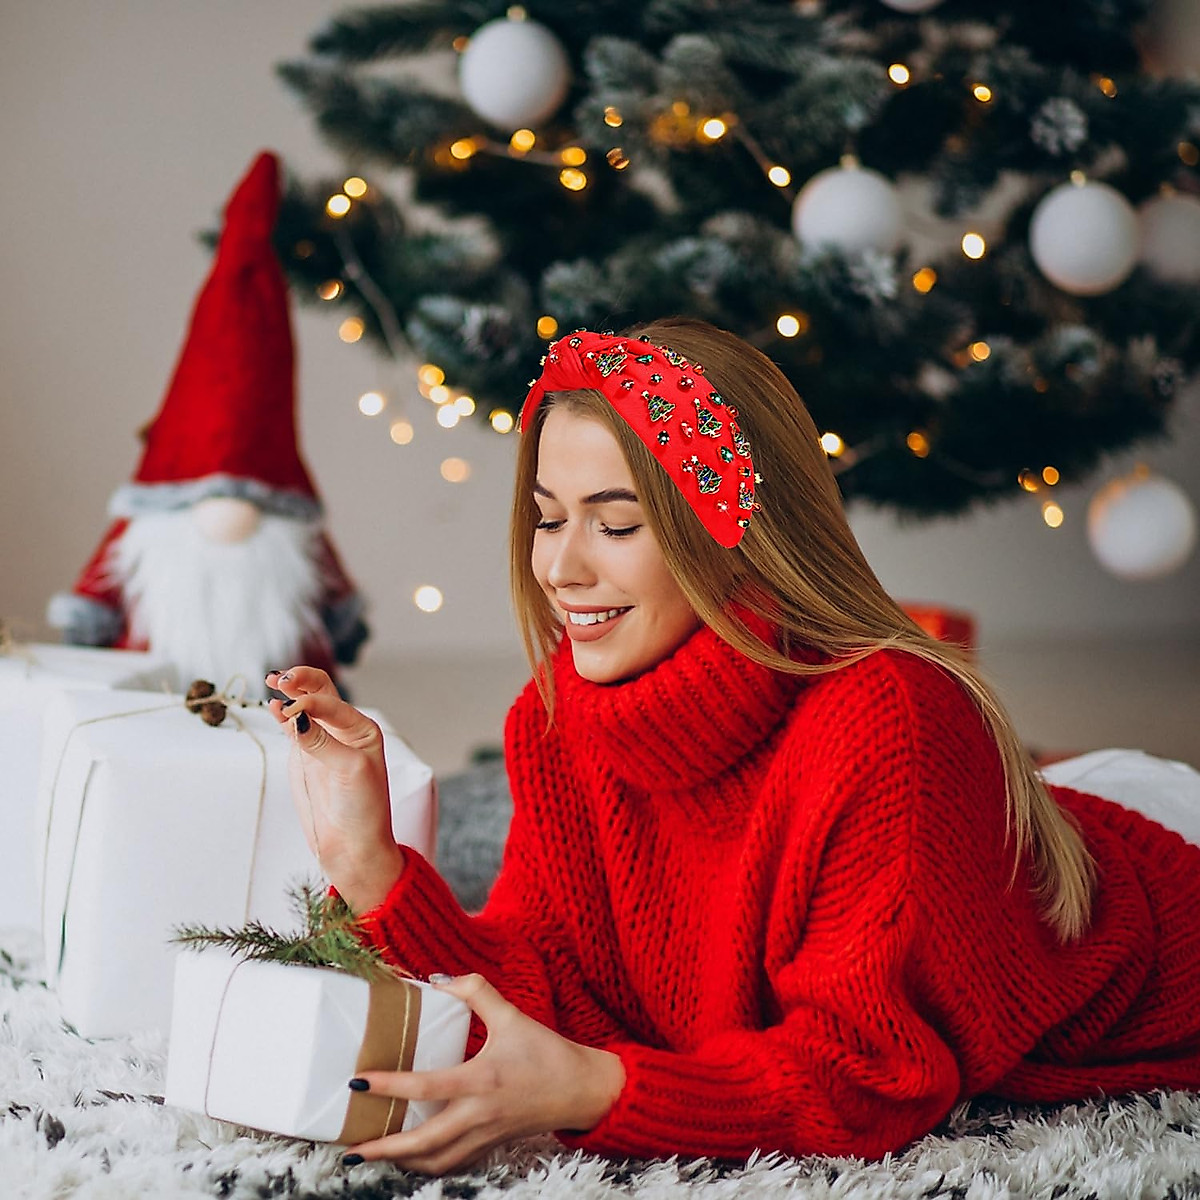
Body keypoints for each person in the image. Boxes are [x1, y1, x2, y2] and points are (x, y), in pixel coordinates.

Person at [267, 318, 1200, 1175]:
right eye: (550, 515)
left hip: (1147, 922)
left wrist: (599, 1091)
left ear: (736, 536)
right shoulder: (556, 715)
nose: (560, 565)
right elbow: (550, 988)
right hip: (1000, 834)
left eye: (618, 522)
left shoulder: (892, 717)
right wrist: (370, 862)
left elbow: (868, 1076)